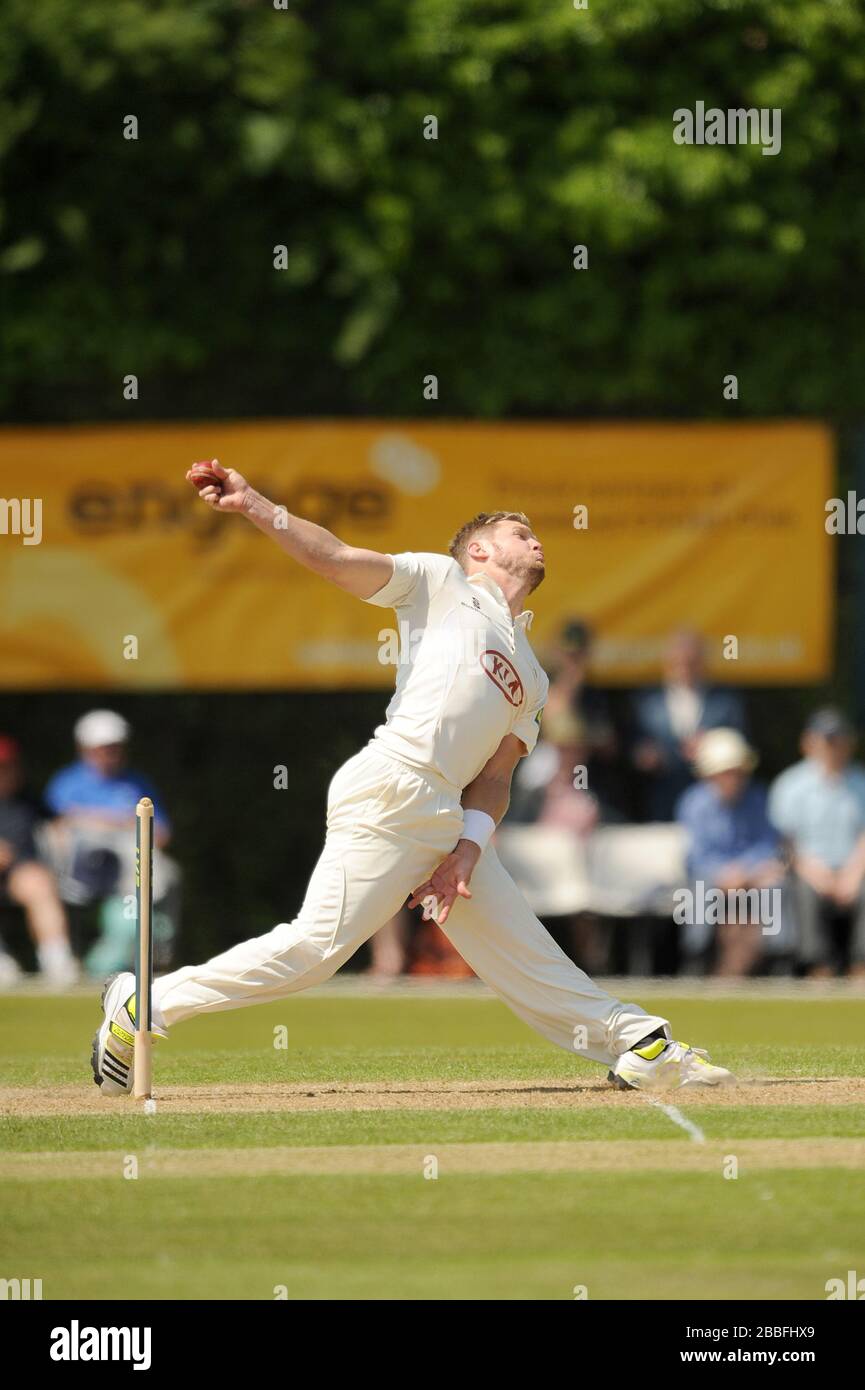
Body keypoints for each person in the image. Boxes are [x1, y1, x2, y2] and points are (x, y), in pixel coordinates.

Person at [92, 460, 733, 1095]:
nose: (536, 540)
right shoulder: (443, 581)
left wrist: (466, 852)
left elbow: (498, 776)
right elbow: (337, 559)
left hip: (447, 815)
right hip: (391, 786)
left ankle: (641, 1045)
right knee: (314, 951)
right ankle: (142, 1002)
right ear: (480, 549)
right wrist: (256, 504)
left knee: (524, 954)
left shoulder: (533, 676)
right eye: (520, 531)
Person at [44, 711, 179, 977]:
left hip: (130, 866)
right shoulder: (67, 782)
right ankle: (64, 960)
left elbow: (161, 834)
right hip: (79, 867)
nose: (110, 753)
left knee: (166, 873)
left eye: (115, 746)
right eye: (103, 747)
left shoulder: (137, 782)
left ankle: (153, 949)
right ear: (85, 749)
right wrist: (118, 821)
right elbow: (57, 827)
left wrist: (95, 819)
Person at [676, 729, 786, 976]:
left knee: (774, 886)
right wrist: (723, 874)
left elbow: (767, 843)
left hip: (752, 876)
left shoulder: (756, 799)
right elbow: (695, 854)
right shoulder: (693, 803)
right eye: (725, 772)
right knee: (699, 889)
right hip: (710, 877)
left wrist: (746, 872)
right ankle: (696, 958)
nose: (732, 778)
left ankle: (780, 961)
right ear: (710, 774)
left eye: (736, 771)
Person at [769, 708, 865, 979]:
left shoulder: (861, 782)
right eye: (827, 740)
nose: (833, 747)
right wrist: (814, 872)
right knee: (802, 890)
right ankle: (816, 968)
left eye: (839, 739)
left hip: (853, 870)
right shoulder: (790, 785)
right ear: (809, 742)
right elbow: (784, 843)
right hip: (807, 871)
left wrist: (853, 874)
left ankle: (862, 967)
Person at [631, 630, 747, 820]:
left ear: (703, 663)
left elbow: (739, 743)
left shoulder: (726, 701)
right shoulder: (646, 702)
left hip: (713, 800)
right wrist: (646, 755)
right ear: (667, 664)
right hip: (661, 800)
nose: (684, 669)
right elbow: (634, 747)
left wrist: (710, 746)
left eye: (691, 663)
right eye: (678, 663)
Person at [0, 735, 78, 988]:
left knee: (38, 881)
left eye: (8, 766)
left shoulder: (29, 800)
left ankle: (56, 959)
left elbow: (60, 824)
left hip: (20, 875)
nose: (5, 773)